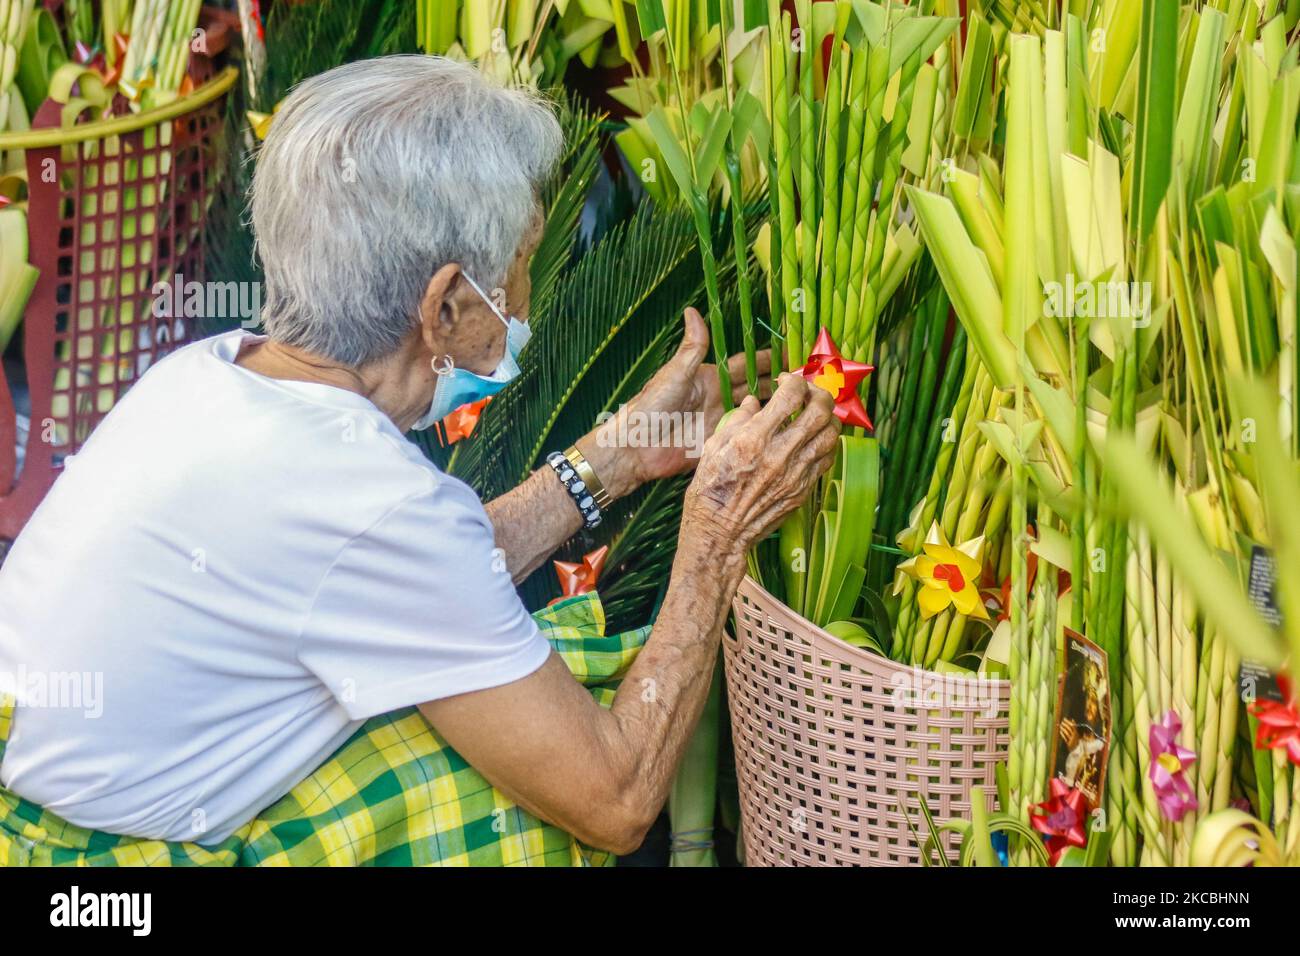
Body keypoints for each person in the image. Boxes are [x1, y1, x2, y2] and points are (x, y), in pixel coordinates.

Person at [0, 55, 839, 860]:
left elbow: (420, 573)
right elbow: (614, 801)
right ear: (441, 307)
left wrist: (616, 457)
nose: (524, 299)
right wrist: (720, 527)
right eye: (520, 264)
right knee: (501, 803)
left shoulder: (213, 374)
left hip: (37, 803)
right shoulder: (370, 502)